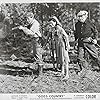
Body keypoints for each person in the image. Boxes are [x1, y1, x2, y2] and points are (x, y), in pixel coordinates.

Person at [74, 10, 100, 77]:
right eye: (79, 16)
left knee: (95, 56)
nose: (80, 18)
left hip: (89, 42)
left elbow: (95, 32)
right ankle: (83, 69)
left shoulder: (90, 23)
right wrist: (75, 41)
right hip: (80, 43)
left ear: (85, 16)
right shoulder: (77, 24)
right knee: (80, 57)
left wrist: (95, 39)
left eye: (81, 16)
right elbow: (76, 34)